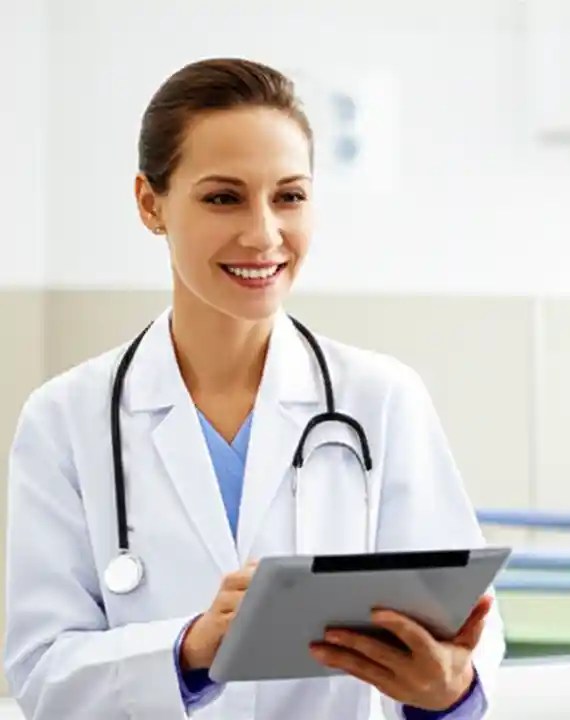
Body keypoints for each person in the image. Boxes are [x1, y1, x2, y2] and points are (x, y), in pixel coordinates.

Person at [3, 58, 505, 719]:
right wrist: (190, 648)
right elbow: (40, 674)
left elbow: (464, 637)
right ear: (151, 204)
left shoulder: (381, 400)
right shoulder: (66, 420)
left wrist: (449, 694)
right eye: (223, 197)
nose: (263, 234)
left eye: (289, 196)